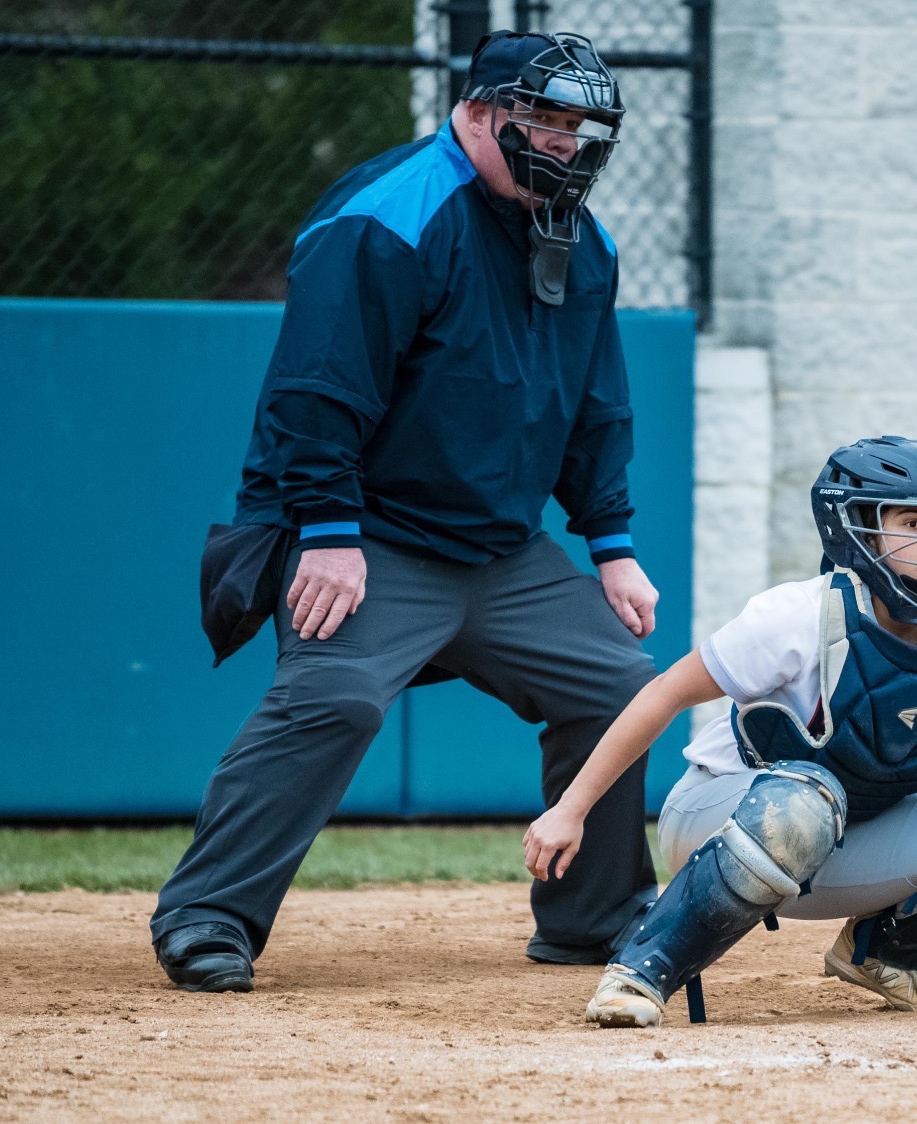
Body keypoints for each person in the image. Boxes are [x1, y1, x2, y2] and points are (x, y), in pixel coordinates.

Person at [151, 31, 663, 993]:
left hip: (502, 548)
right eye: (544, 121)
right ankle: (207, 915)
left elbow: (597, 404)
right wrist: (330, 537)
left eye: (580, 127)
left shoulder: (583, 239)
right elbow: (314, 394)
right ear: (478, 112)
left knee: (618, 685)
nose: (564, 144)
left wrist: (613, 545)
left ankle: (592, 919)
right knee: (335, 697)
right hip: (370, 531)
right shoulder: (389, 215)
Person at [521, 437, 917, 1027]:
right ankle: (642, 970)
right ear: (854, 530)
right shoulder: (797, 615)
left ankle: (879, 951)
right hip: (721, 816)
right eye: (911, 524)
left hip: (845, 833)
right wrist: (571, 811)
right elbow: (661, 696)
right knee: (806, 794)